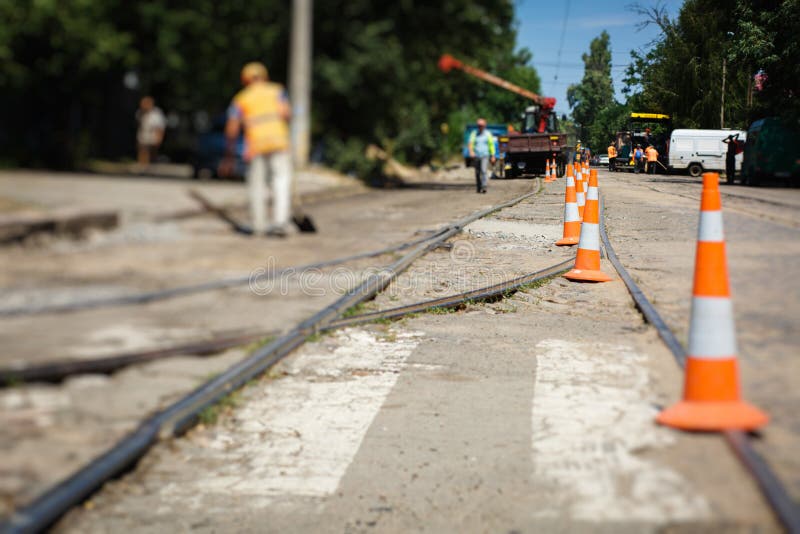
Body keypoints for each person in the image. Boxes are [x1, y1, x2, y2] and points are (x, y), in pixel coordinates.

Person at [220, 62, 292, 237]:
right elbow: (286, 114)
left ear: (245, 80)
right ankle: (280, 222)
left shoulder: (241, 98)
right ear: (264, 77)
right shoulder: (277, 91)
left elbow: (232, 128)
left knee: (257, 185)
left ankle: (259, 226)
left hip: (256, 145)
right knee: (281, 181)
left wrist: (229, 154)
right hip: (278, 142)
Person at [136, 96, 166, 167]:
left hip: (152, 136)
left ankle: (151, 167)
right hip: (143, 136)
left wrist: (159, 137)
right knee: (143, 151)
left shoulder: (156, 114)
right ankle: (143, 166)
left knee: (152, 153)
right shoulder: (140, 113)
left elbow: (159, 127)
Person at [468, 118, 495, 193]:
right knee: (477, 172)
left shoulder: (488, 134)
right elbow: (470, 143)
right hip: (476, 155)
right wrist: (471, 152)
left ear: (484, 126)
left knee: (483, 170)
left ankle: (484, 186)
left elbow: (491, 145)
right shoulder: (474, 133)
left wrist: (493, 155)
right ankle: (478, 186)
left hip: (485, 155)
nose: (480, 127)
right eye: (478, 125)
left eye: (481, 125)